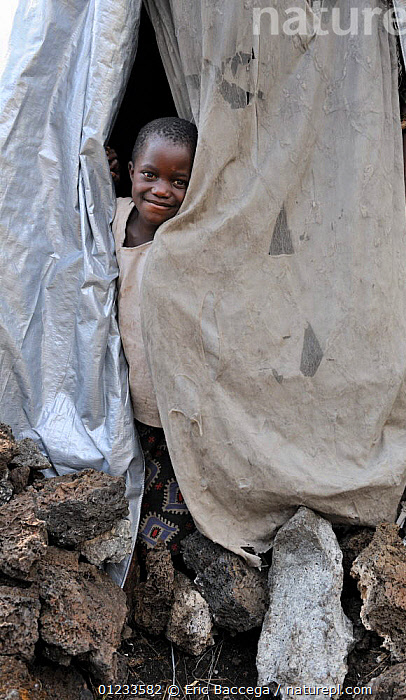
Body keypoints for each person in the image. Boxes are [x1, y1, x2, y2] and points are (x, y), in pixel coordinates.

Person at [111, 117, 198, 557]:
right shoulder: (114, 215)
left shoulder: (187, 238)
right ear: (131, 172)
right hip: (122, 391)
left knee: (173, 474)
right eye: (150, 175)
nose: (162, 190)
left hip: (170, 397)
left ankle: (166, 554)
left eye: (178, 181)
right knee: (132, 468)